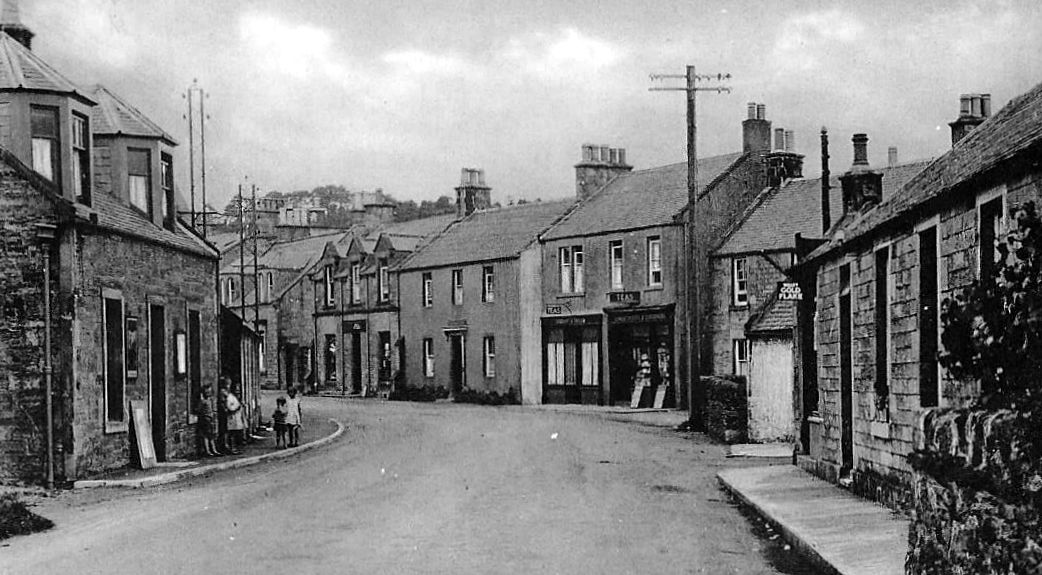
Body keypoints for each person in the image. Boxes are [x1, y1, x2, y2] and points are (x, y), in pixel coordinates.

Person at [196, 384, 219, 457]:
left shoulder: (211, 400)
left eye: (209, 392)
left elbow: (213, 410)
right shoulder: (203, 401)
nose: (208, 394)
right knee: (206, 435)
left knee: (211, 435)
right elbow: (199, 410)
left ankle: (214, 450)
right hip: (205, 419)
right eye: (206, 392)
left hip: (211, 419)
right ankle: (207, 451)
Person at [225, 384, 245, 454]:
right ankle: (232, 449)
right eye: (236, 390)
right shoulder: (230, 397)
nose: (238, 392)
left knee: (237, 434)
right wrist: (237, 408)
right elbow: (229, 408)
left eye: (239, 390)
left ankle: (236, 448)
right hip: (232, 418)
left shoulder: (235, 397)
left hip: (237, 419)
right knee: (232, 434)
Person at [216, 377, 231, 454]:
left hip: (226, 412)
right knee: (224, 430)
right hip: (223, 414)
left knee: (226, 430)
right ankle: (223, 446)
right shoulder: (222, 392)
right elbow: (222, 403)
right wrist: (226, 409)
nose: (229, 385)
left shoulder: (226, 392)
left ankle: (226, 445)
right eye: (228, 384)